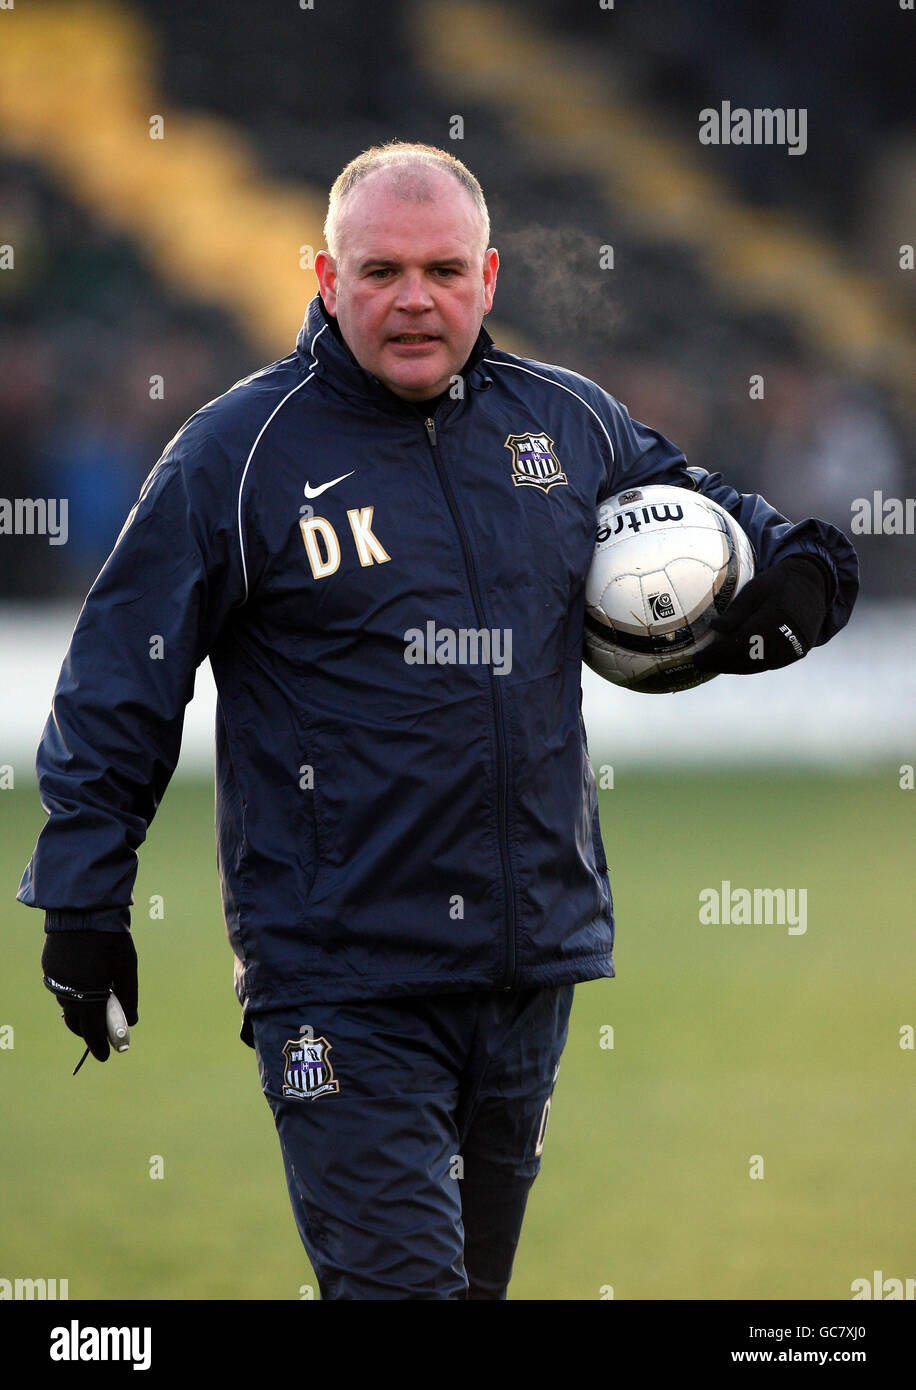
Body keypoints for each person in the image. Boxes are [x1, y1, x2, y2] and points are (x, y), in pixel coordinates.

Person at [19, 141, 859, 1300]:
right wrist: (81, 899)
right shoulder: (238, 454)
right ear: (324, 277)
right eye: (379, 271)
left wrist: (798, 597)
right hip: (338, 980)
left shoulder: (570, 427)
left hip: (527, 969)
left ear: (488, 278)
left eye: (442, 268)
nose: (413, 297)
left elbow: (763, 537)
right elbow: (122, 675)